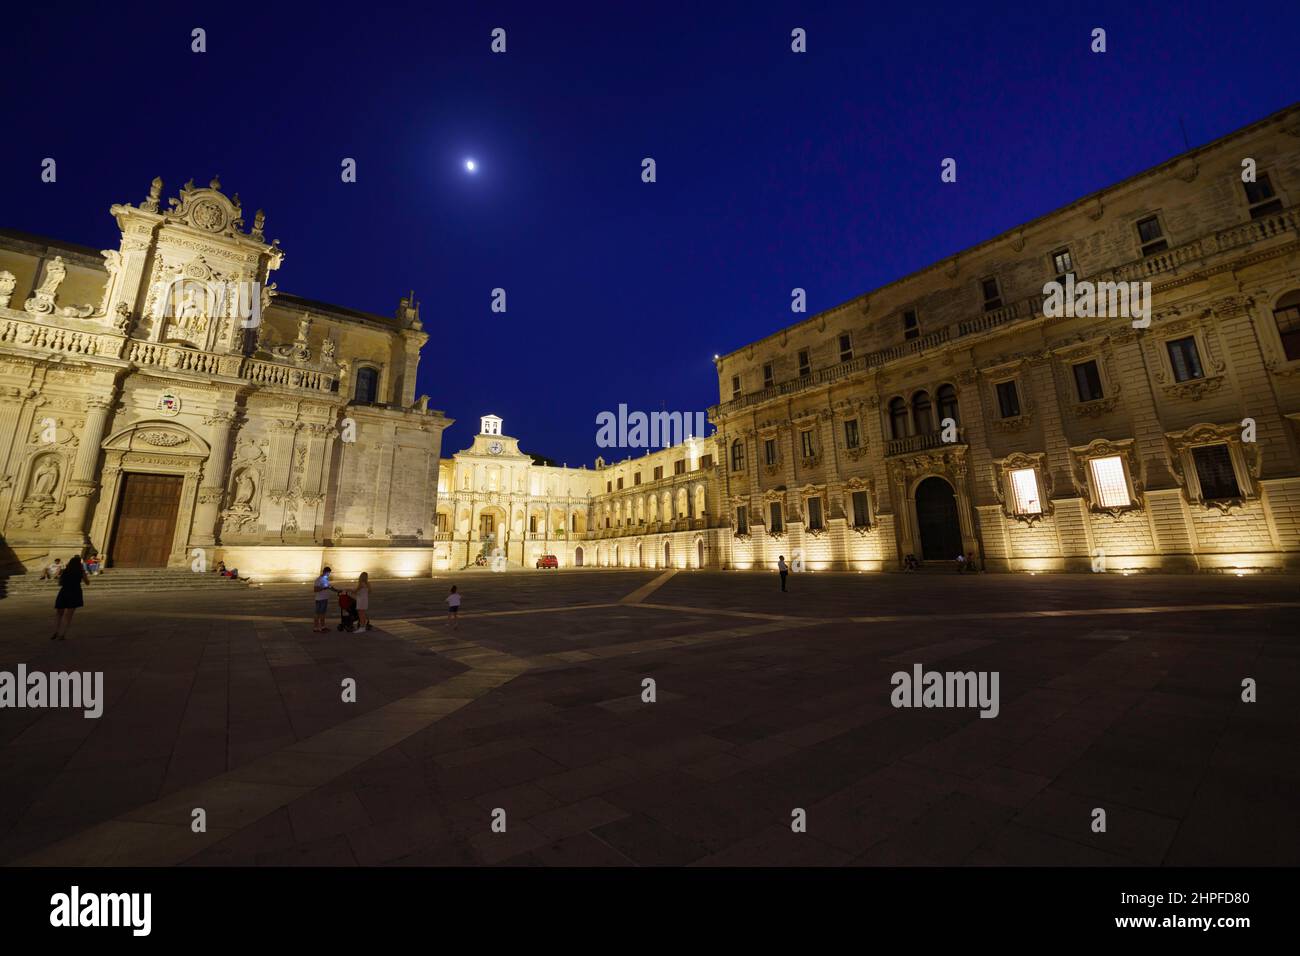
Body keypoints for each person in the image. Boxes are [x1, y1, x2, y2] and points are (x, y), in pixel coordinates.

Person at [52, 555, 89, 641]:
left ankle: (56, 631)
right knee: (69, 615)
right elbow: (87, 582)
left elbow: (59, 583)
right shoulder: (81, 571)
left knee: (59, 614)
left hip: (64, 591)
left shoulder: (65, 571)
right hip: (75, 592)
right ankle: (63, 634)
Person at [312, 566, 332, 633]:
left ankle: (323, 627)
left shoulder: (326, 579)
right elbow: (315, 589)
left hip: (325, 598)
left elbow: (329, 587)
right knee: (318, 614)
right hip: (320, 599)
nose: (329, 574)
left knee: (323, 614)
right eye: (328, 573)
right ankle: (316, 628)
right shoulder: (318, 579)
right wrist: (324, 588)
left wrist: (337, 590)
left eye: (329, 573)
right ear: (325, 572)